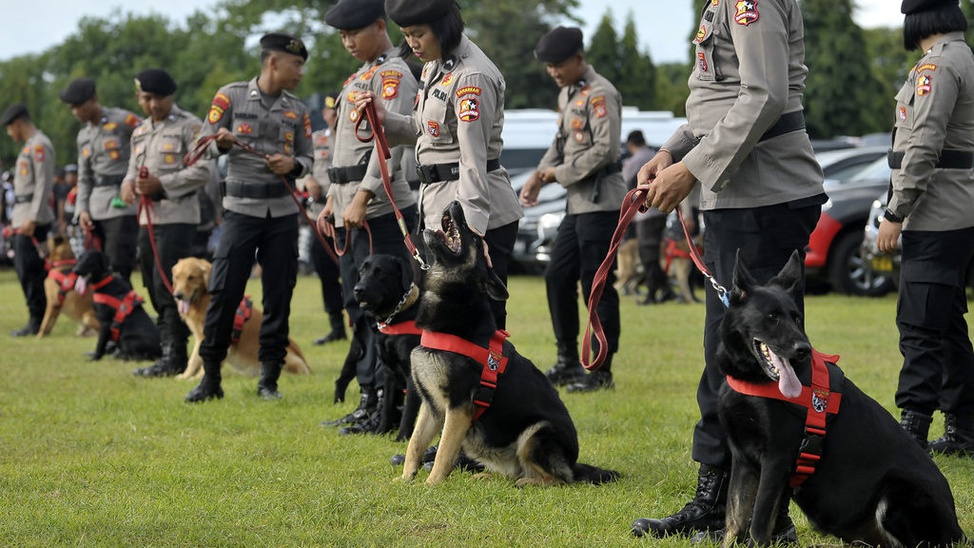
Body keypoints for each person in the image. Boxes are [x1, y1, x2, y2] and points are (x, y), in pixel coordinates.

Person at [629, 0, 826, 540]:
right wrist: (672, 152)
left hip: (762, 198)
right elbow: (715, 99)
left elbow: (764, 95)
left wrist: (690, 169)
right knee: (730, 354)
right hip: (741, 197)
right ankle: (720, 499)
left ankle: (767, 514)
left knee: (764, 362)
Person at [359, 0, 523, 330]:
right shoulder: (438, 65)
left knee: (480, 322)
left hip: (475, 212)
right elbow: (428, 129)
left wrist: (470, 233)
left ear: (444, 29)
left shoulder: (471, 75)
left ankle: (489, 383)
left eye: (418, 34)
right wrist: (385, 119)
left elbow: (472, 159)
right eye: (405, 34)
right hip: (440, 207)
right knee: (442, 319)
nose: (411, 43)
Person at [184, 32, 314, 403]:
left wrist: (293, 164)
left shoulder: (298, 109)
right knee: (223, 294)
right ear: (273, 62)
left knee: (278, 296)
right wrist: (221, 143)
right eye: (296, 64)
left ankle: (269, 378)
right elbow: (202, 145)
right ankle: (210, 378)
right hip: (240, 213)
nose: (300, 72)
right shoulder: (231, 96)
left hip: (283, 216)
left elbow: (309, 158)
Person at [318, 0, 420, 435]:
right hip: (349, 206)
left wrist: (362, 194)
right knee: (356, 305)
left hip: (378, 208)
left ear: (380, 26)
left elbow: (390, 144)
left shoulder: (393, 75)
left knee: (383, 307)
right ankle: (367, 398)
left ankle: (387, 402)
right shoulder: (360, 76)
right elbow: (346, 150)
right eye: (342, 37)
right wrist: (332, 198)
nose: (347, 43)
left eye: (353, 34)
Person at [879, 0, 974, 456]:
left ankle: (911, 432)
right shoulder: (966, 57)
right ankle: (964, 427)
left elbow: (924, 143)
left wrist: (897, 212)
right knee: (948, 323)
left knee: (919, 324)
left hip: (936, 211)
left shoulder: (936, 65)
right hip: (961, 209)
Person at [518, 26, 626, 393]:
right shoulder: (569, 94)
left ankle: (600, 370)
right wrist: (537, 176)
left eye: (558, 65)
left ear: (579, 59)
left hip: (601, 202)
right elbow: (560, 143)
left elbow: (606, 150)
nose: (553, 72)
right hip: (577, 205)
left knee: (595, 286)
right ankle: (566, 360)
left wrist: (556, 174)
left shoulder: (601, 94)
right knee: (556, 276)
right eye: (548, 66)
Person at [120, 69, 214, 378]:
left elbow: (204, 170)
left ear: (170, 96)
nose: (153, 104)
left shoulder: (189, 126)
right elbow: (133, 169)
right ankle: (168, 349)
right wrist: (128, 183)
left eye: (159, 98)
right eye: (146, 98)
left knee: (170, 286)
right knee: (150, 282)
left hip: (177, 216)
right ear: (139, 98)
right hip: (148, 218)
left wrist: (162, 183)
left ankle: (175, 355)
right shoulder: (139, 131)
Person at [59, 77, 141, 283]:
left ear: (94, 99)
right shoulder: (83, 135)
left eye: (79, 106)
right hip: (95, 208)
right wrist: (82, 210)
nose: (75, 112)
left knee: (118, 266)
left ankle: (124, 313)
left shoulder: (123, 120)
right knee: (97, 269)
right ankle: (105, 314)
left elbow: (149, 139)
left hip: (122, 205)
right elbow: (84, 177)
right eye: (72, 108)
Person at [2, 103, 56, 337]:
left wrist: (33, 219)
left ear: (18, 123)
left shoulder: (40, 145)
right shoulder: (29, 147)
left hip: (32, 219)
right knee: (26, 269)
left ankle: (37, 319)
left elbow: (43, 184)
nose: (9, 133)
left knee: (31, 270)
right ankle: (38, 316)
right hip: (22, 215)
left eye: (9, 128)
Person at [307, 92, 346, 347]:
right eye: (331, 114)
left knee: (350, 268)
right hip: (318, 214)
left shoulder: (353, 136)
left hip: (345, 213)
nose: (335, 118)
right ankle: (336, 325)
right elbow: (302, 165)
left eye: (338, 113)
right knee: (324, 269)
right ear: (324, 115)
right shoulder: (316, 139)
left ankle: (359, 319)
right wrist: (306, 180)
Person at [625, 130, 675, 306]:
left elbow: (627, 184)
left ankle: (653, 293)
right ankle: (666, 289)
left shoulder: (634, 161)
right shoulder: (655, 155)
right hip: (660, 212)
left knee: (647, 256)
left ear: (631, 144)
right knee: (652, 254)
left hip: (645, 214)